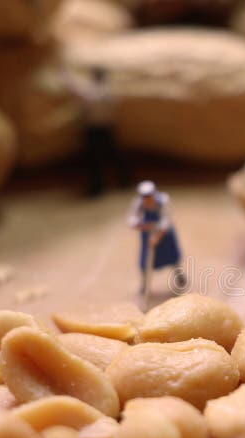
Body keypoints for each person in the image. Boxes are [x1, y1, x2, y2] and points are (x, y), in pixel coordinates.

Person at [66, 65, 130, 196]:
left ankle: (99, 185)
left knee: (96, 159)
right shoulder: (108, 91)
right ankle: (122, 180)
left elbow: (78, 92)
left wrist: (66, 75)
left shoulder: (95, 92)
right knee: (112, 155)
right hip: (106, 127)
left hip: (95, 129)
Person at [127, 181, 186, 293]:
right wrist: (142, 226)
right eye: (144, 197)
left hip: (165, 236)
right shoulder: (138, 203)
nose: (147, 199)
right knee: (145, 262)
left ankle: (180, 277)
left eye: (149, 196)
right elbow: (131, 219)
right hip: (148, 236)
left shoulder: (163, 201)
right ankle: (144, 284)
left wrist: (157, 236)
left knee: (172, 257)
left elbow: (166, 221)